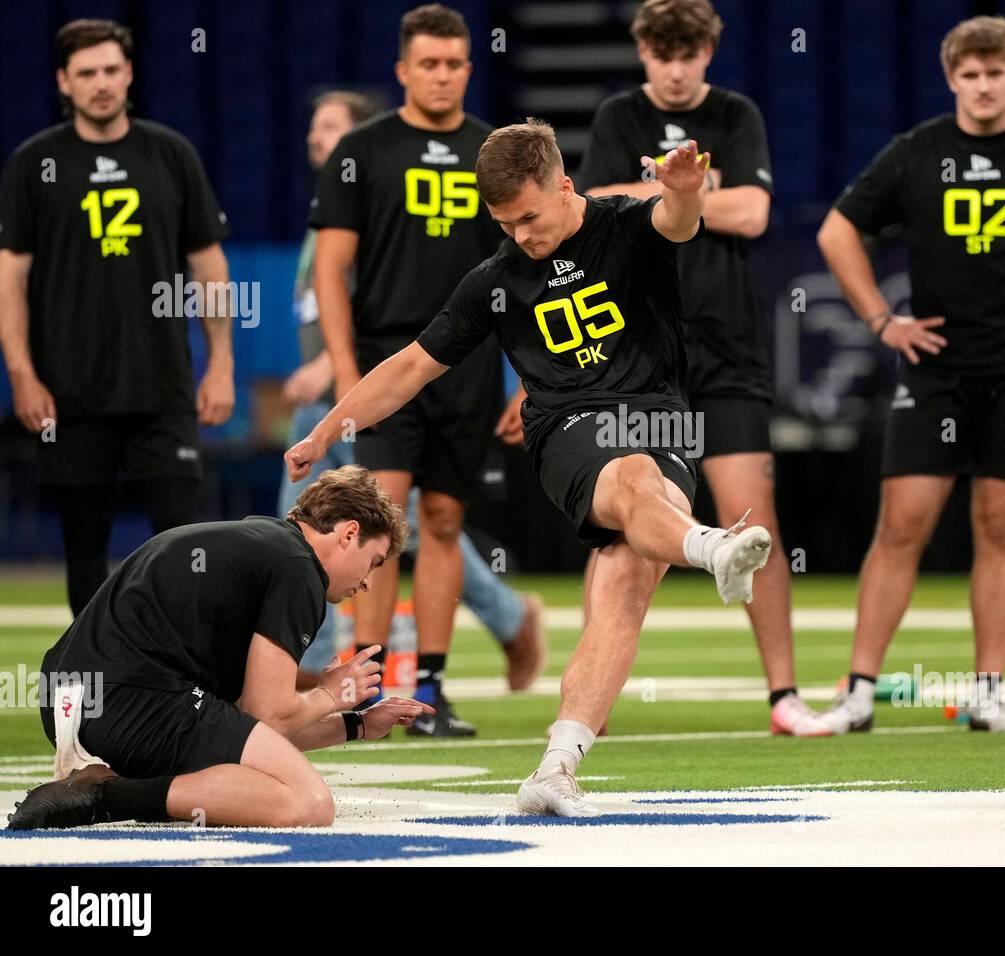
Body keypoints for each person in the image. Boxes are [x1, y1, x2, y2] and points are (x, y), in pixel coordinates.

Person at [287, 119, 773, 816]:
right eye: (506, 224)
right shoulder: (496, 279)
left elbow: (678, 218)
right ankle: (713, 545)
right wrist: (329, 429)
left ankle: (557, 766)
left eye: (531, 218)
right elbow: (411, 368)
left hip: (660, 418)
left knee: (625, 583)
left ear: (564, 186)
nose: (521, 235)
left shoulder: (624, 227)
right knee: (633, 477)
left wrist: (689, 190)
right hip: (567, 429)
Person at [816, 15, 1005, 732]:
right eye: (970, 74)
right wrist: (882, 320)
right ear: (951, 78)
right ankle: (859, 691)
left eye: (996, 72)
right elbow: (837, 229)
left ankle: (989, 691)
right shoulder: (918, 151)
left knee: (1002, 524)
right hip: (935, 365)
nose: (984, 85)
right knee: (902, 523)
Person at [573, 0, 818, 735]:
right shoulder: (618, 116)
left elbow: (755, 213)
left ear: (708, 52)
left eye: (689, 53)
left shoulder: (737, 113)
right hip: (643, 351)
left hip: (728, 345)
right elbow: (591, 206)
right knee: (632, 529)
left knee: (757, 521)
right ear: (644, 52)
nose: (676, 68)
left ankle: (784, 696)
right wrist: (689, 191)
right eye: (662, 53)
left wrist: (659, 194)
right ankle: (593, 696)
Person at [308, 5, 533, 734]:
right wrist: (347, 373)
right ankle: (371, 688)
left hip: (467, 367)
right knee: (378, 526)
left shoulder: (491, 152)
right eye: (428, 63)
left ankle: (430, 689)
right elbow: (331, 273)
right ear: (403, 71)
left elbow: (523, 271)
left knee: (442, 521)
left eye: (455, 63)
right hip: (386, 363)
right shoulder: (362, 150)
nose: (442, 75)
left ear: (470, 68)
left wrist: (525, 378)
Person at [9, 466, 430, 830]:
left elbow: (246, 726)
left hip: (71, 700)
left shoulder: (259, 545)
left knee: (239, 768)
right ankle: (105, 796)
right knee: (307, 802)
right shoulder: (299, 568)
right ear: (349, 532)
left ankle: (106, 785)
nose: (368, 582)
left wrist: (357, 724)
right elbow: (270, 716)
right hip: (130, 703)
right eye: (374, 561)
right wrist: (330, 695)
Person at [0, 18, 234, 615]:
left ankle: (182, 688)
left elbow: (209, 266)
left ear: (128, 73)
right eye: (86, 73)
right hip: (71, 393)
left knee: (180, 546)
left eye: (110, 70)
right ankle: (92, 694)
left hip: (163, 388)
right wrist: (22, 373)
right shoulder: (35, 163)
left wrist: (222, 364)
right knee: (84, 553)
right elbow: (11, 279)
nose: (101, 83)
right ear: (63, 81)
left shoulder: (171, 154)